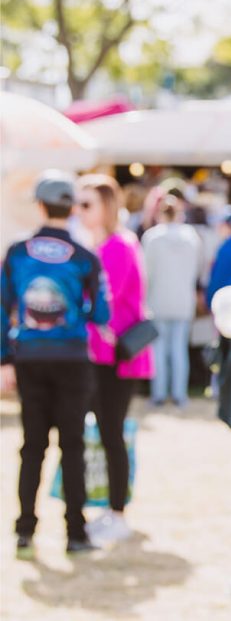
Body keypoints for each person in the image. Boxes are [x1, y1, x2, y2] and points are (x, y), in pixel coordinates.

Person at [1, 171, 110, 558]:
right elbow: (100, 312)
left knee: (32, 447)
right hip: (72, 360)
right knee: (73, 447)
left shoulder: (16, 252)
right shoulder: (85, 256)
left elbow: (3, 308)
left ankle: (25, 532)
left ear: (41, 205)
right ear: (72, 208)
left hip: (29, 359)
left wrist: (4, 359)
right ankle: (76, 534)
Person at [76, 175, 154, 543]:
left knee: (111, 432)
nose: (79, 211)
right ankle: (111, 508)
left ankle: (117, 512)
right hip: (101, 356)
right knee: (106, 432)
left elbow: (100, 305)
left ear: (106, 206)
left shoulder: (118, 246)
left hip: (117, 358)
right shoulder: (102, 245)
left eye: (87, 204)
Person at [142, 195, 202, 408]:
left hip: (158, 299)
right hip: (183, 299)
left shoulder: (153, 238)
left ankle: (158, 394)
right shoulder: (190, 237)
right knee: (179, 349)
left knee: (158, 350)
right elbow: (196, 269)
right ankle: (179, 394)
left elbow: (146, 272)